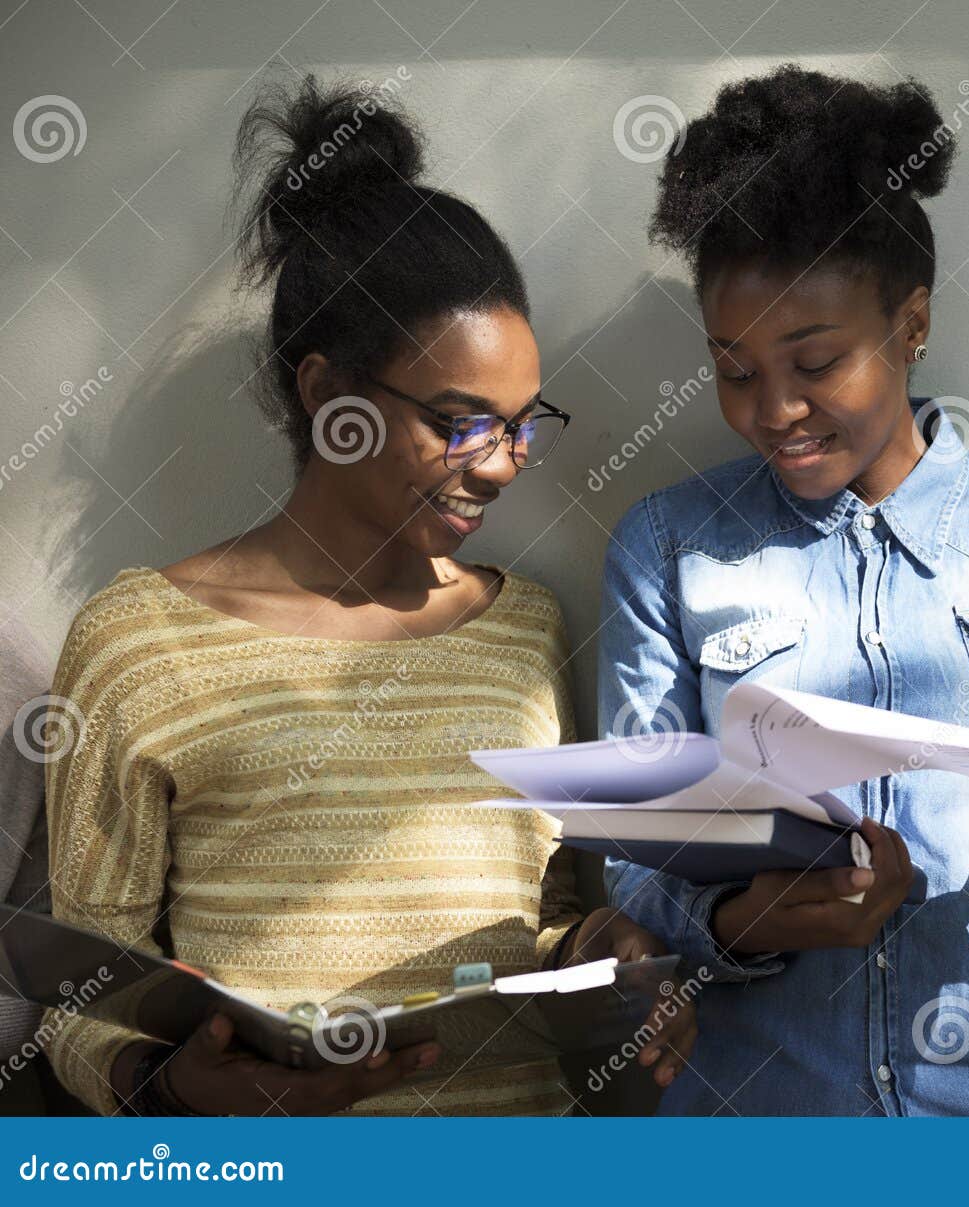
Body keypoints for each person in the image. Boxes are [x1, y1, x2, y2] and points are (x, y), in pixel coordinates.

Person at [42, 76, 693, 1117]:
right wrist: (165, 1084)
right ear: (325, 393)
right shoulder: (137, 644)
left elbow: (538, 920)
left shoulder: (522, 625)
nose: (501, 464)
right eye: (460, 420)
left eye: (524, 423)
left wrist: (596, 947)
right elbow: (74, 990)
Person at [598, 66, 969, 1115]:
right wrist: (745, 923)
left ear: (911, 326)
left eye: (814, 360)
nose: (774, 410)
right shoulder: (666, 545)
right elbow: (632, 875)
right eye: (733, 368)